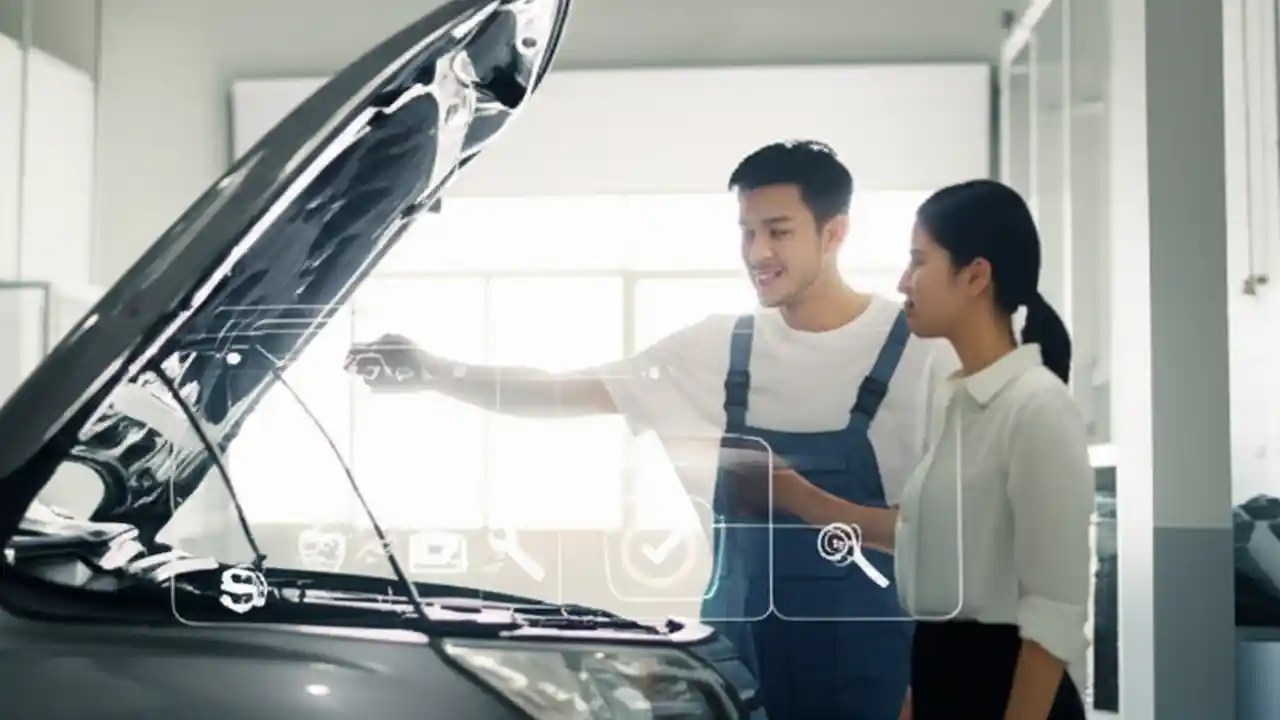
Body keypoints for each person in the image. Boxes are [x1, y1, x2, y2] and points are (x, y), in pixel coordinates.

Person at [345, 140, 956, 719]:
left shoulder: (921, 353)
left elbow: (951, 540)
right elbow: (561, 389)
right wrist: (432, 372)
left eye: (778, 231)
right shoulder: (716, 349)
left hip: (882, 682)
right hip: (741, 675)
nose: (756, 252)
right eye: (746, 231)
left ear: (835, 233)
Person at [748, 179, 1093, 719]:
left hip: (1008, 691)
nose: (904, 282)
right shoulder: (957, 406)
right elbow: (924, 553)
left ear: (975, 275)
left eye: (919, 262)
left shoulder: (1036, 408)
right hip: (941, 676)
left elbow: (1055, 610)